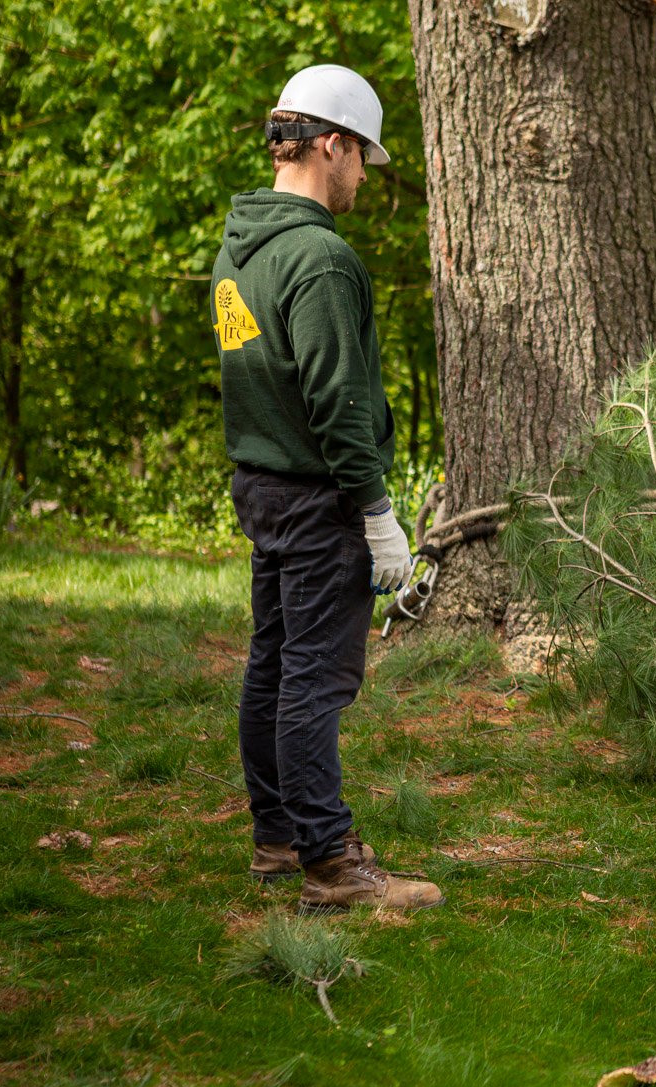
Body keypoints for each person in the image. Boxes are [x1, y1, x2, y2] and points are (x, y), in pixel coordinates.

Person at [210, 64, 441, 913]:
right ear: (331, 144)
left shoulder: (239, 250)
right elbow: (337, 401)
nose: (360, 182)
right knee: (315, 677)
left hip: (262, 487)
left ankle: (277, 838)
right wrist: (378, 515)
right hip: (316, 498)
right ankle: (331, 864)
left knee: (272, 666)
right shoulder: (320, 258)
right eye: (360, 161)